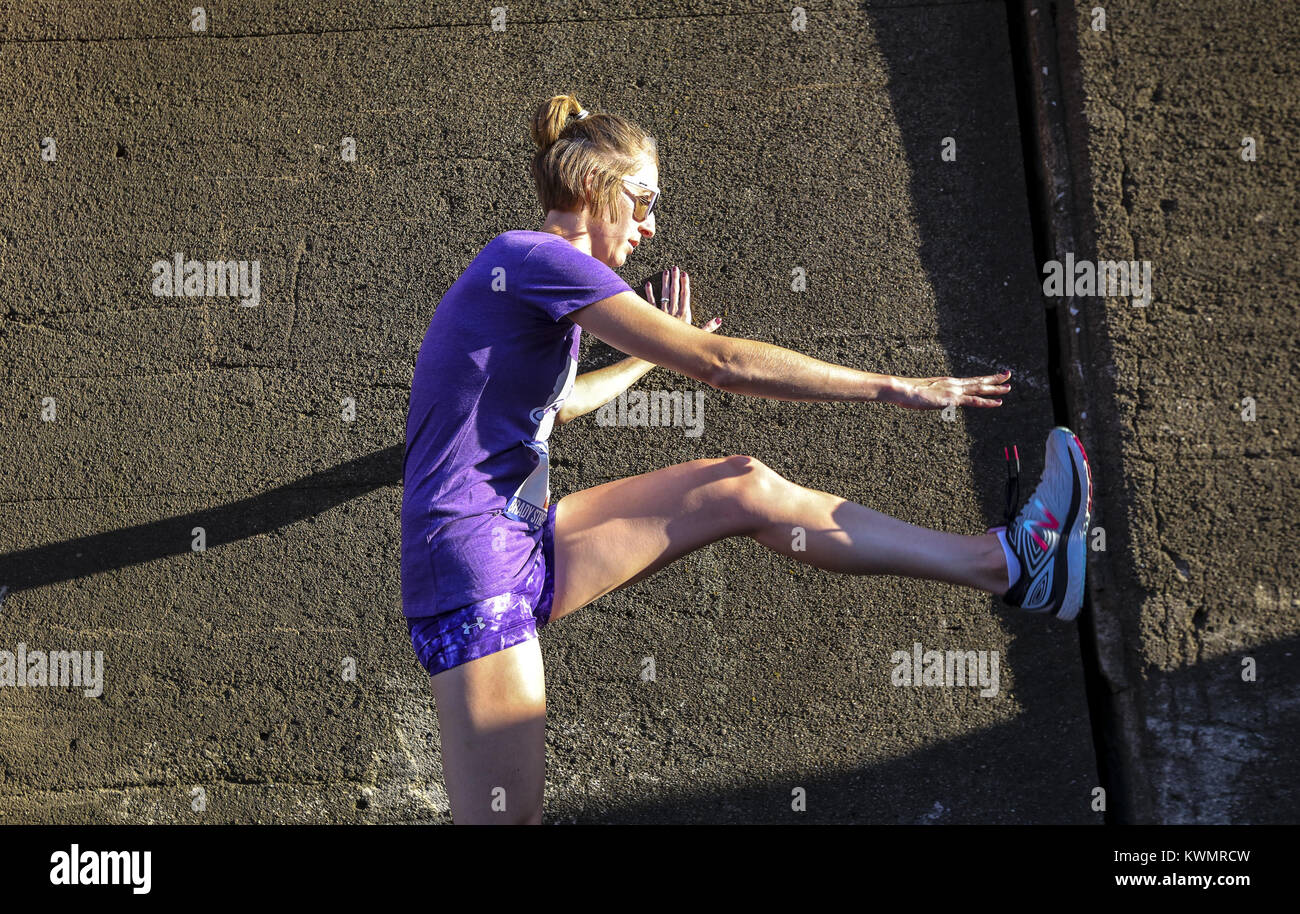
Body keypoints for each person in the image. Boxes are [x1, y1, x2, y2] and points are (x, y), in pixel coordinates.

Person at [401, 94, 1094, 824]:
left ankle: (1011, 565)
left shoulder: (538, 279)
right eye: (642, 201)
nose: (650, 225)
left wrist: (646, 357)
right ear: (590, 189)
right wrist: (892, 387)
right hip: (473, 567)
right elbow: (723, 363)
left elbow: (560, 403)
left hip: (517, 539)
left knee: (742, 487)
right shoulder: (534, 257)